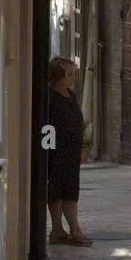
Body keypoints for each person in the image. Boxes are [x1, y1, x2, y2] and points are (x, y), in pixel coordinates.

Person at [47, 57, 92, 247]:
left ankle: (63, 231)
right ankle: (70, 230)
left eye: (74, 74)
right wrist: (47, 152)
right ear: (58, 76)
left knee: (71, 192)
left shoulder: (71, 95)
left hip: (71, 153)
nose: (73, 78)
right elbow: (45, 127)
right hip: (55, 153)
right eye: (70, 74)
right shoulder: (49, 97)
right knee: (56, 192)